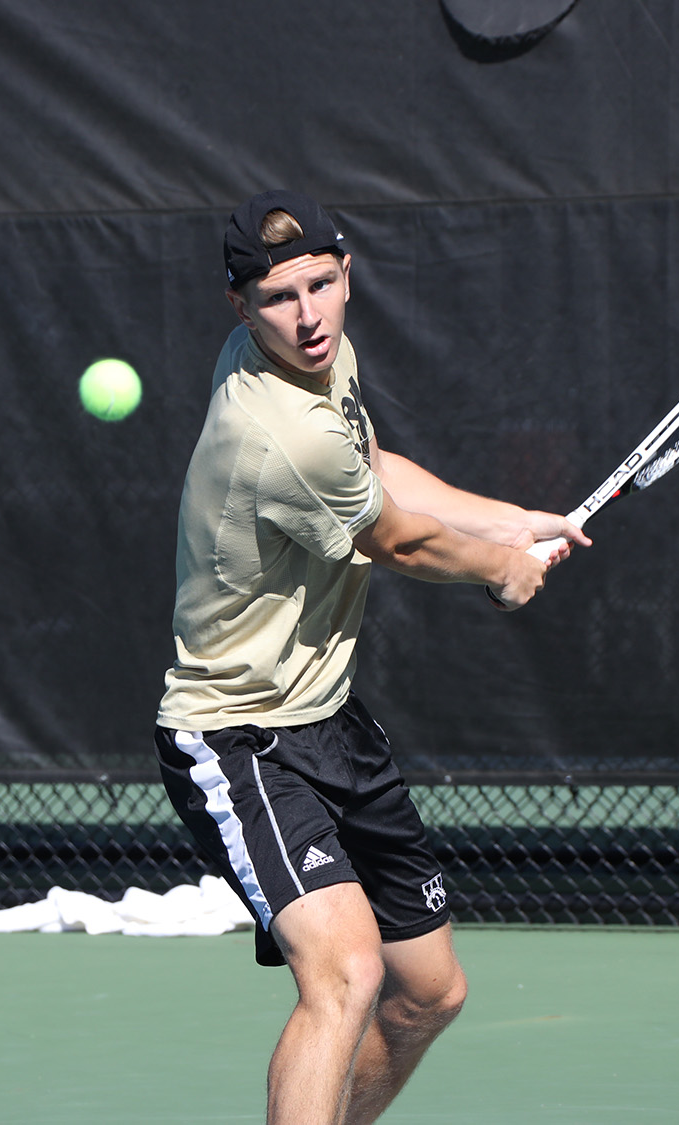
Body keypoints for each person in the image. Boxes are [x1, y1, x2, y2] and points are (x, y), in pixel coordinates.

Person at [153, 189, 590, 1125]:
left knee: (430, 991)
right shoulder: (277, 425)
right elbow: (399, 543)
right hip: (239, 738)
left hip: (331, 720)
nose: (308, 316)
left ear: (347, 273)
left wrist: (510, 519)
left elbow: (374, 468)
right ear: (241, 308)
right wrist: (502, 570)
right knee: (346, 973)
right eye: (278, 298)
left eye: (321, 284)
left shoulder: (324, 365)